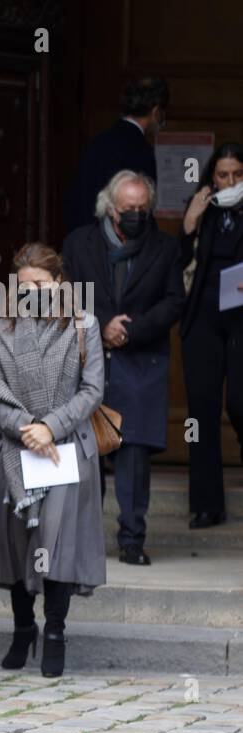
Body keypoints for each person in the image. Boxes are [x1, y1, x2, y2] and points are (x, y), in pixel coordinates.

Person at [0, 243, 106, 678]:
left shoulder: (84, 325)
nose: (31, 292)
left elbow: (93, 390)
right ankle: (24, 629)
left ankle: (55, 632)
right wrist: (25, 427)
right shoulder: (6, 327)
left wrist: (50, 427)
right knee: (18, 543)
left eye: (39, 284)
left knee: (56, 543)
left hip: (64, 451)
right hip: (15, 449)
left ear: (59, 282)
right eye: (23, 286)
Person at [63, 170, 184, 565]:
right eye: (127, 209)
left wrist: (131, 329)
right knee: (87, 454)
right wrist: (103, 323)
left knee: (133, 456)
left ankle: (132, 539)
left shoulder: (164, 248)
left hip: (140, 361)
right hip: (89, 362)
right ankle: (84, 537)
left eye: (142, 209)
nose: (135, 214)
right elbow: (65, 295)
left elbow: (173, 301)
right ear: (110, 208)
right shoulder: (79, 243)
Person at [179, 142, 243, 529]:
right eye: (224, 175)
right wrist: (189, 223)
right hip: (202, 317)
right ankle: (206, 503)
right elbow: (179, 261)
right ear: (211, 178)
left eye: (238, 175)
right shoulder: (201, 208)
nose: (231, 182)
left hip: (241, 319)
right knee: (200, 414)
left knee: (239, 402)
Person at [64, 76, 169, 234]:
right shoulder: (141, 149)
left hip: (85, 241)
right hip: (119, 244)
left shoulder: (97, 141)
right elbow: (144, 208)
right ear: (155, 112)